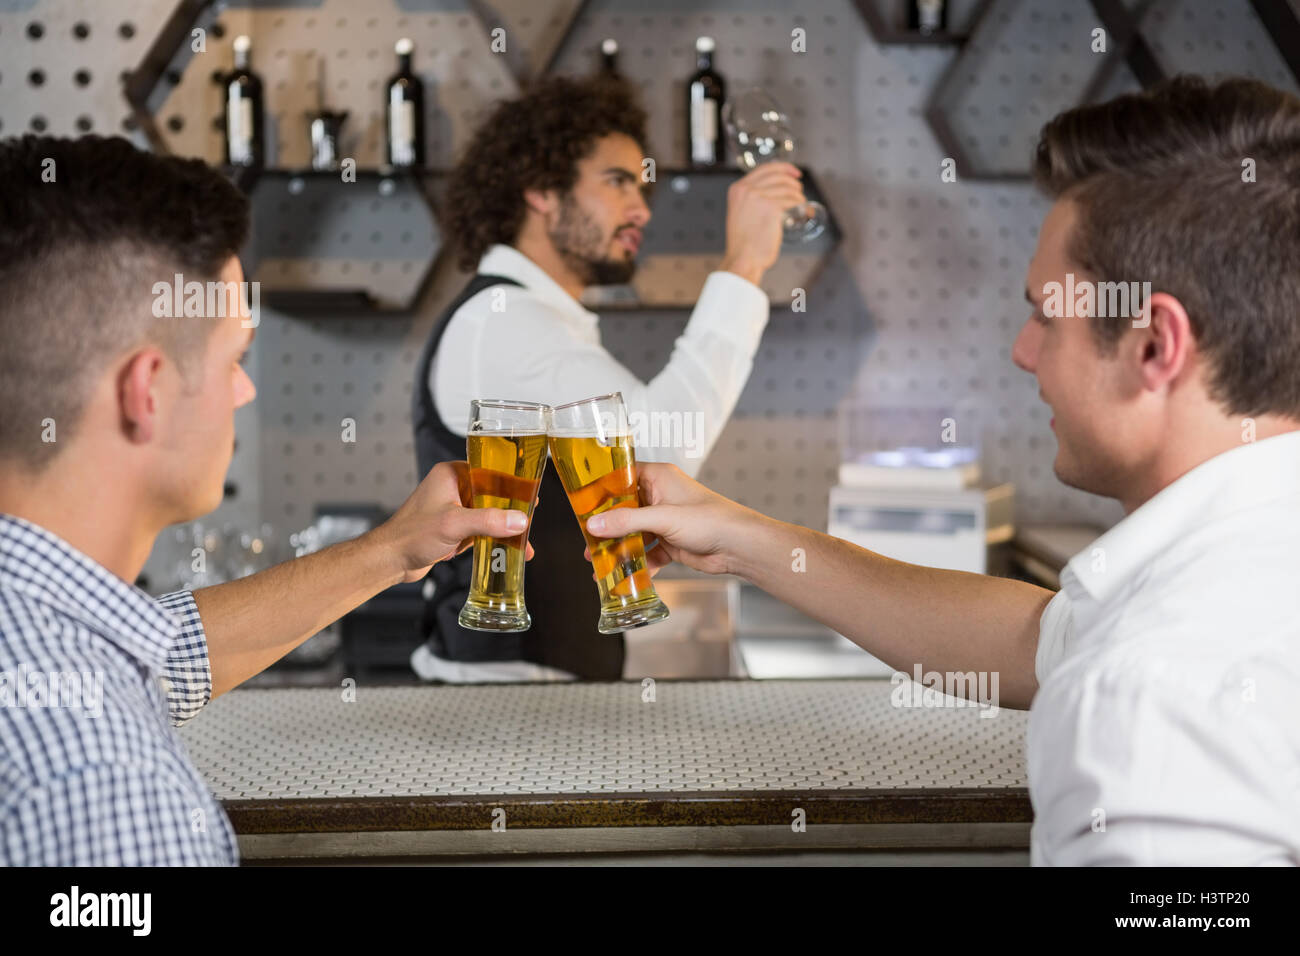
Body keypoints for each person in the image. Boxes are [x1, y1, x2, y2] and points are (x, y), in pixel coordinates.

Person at [583, 75, 1300, 866]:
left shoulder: (1149, 698)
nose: (1024, 352)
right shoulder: (1245, 552)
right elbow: (1032, 641)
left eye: (1045, 315)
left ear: (1154, 345)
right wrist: (739, 537)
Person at [0, 135, 529, 865]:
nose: (244, 391)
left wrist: (389, 551)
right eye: (235, 360)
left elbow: (167, 653)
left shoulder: (38, 627)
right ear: (146, 391)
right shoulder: (102, 787)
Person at [411, 75, 806, 683]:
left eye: (642, 186)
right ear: (542, 189)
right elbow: (657, 450)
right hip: (512, 701)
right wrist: (745, 264)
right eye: (618, 181)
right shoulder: (508, 320)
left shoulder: (525, 317)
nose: (642, 208)